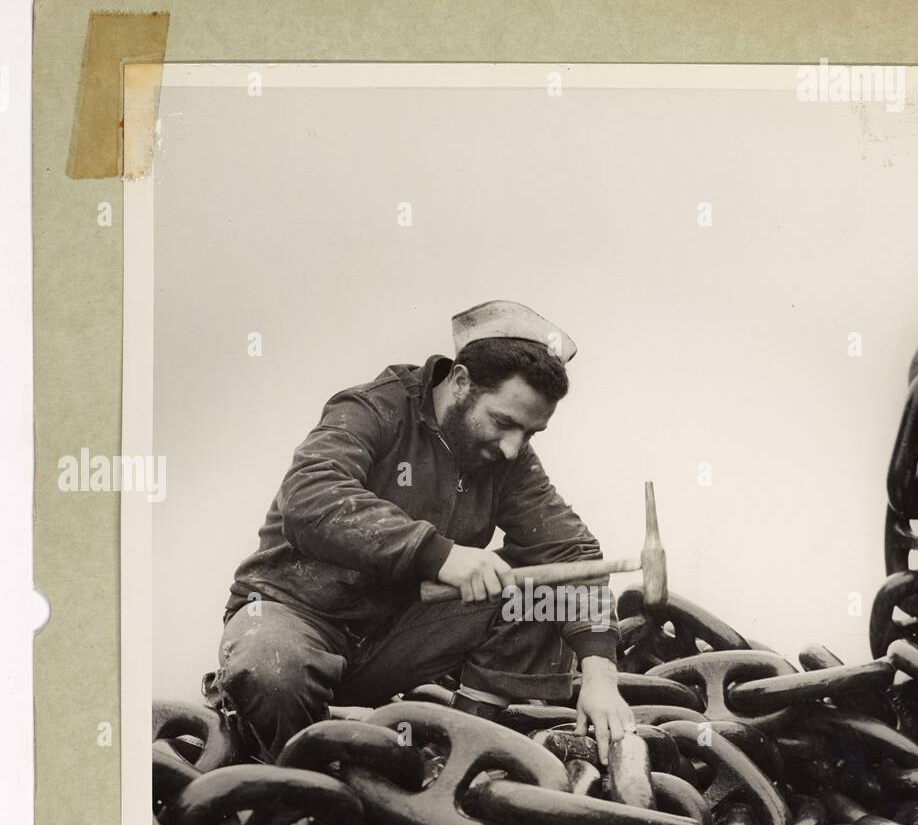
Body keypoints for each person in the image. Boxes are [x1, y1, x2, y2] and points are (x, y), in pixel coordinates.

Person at [205, 300, 635, 763]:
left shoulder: (506, 459)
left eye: (530, 433)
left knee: (533, 589)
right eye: (504, 422)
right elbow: (311, 498)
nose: (514, 447)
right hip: (297, 617)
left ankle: (464, 758)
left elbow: (569, 553)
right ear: (462, 381)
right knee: (272, 672)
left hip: (398, 637)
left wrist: (599, 674)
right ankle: (287, 780)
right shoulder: (371, 410)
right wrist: (439, 555)